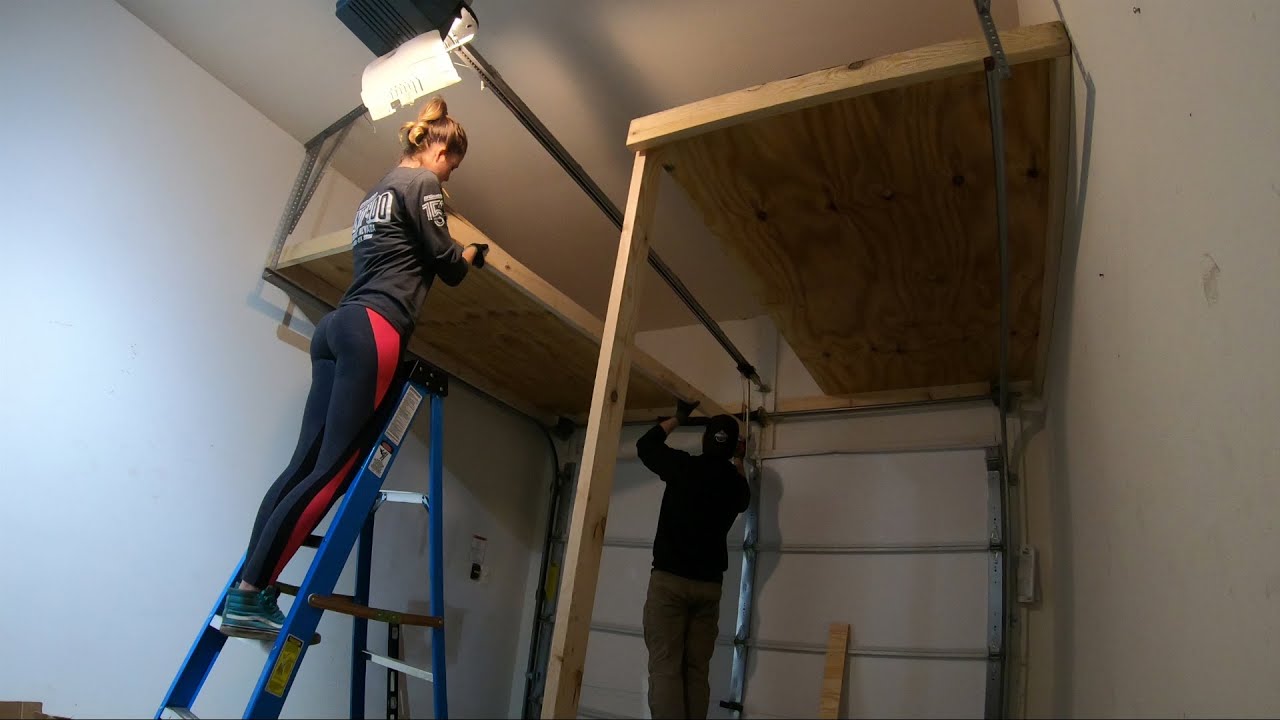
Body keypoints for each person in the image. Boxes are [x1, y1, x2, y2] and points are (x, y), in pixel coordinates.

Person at [221, 96, 489, 637]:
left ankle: (245, 587)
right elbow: (445, 262)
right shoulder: (423, 186)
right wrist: (469, 256)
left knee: (302, 466)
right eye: (451, 163)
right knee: (333, 472)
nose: (449, 173)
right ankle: (251, 597)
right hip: (377, 328)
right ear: (438, 148)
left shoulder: (375, 194)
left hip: (338, 324)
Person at [636, 399, 750, 719]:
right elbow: (744, 498)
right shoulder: (734, 485)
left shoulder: (683, 467)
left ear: (704, 440)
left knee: (666, 667)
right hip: (708, 589)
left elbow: (646, 445)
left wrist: (678, 418)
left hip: (670, 583)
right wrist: (739, 461)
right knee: (696, 671)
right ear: (732, 449)